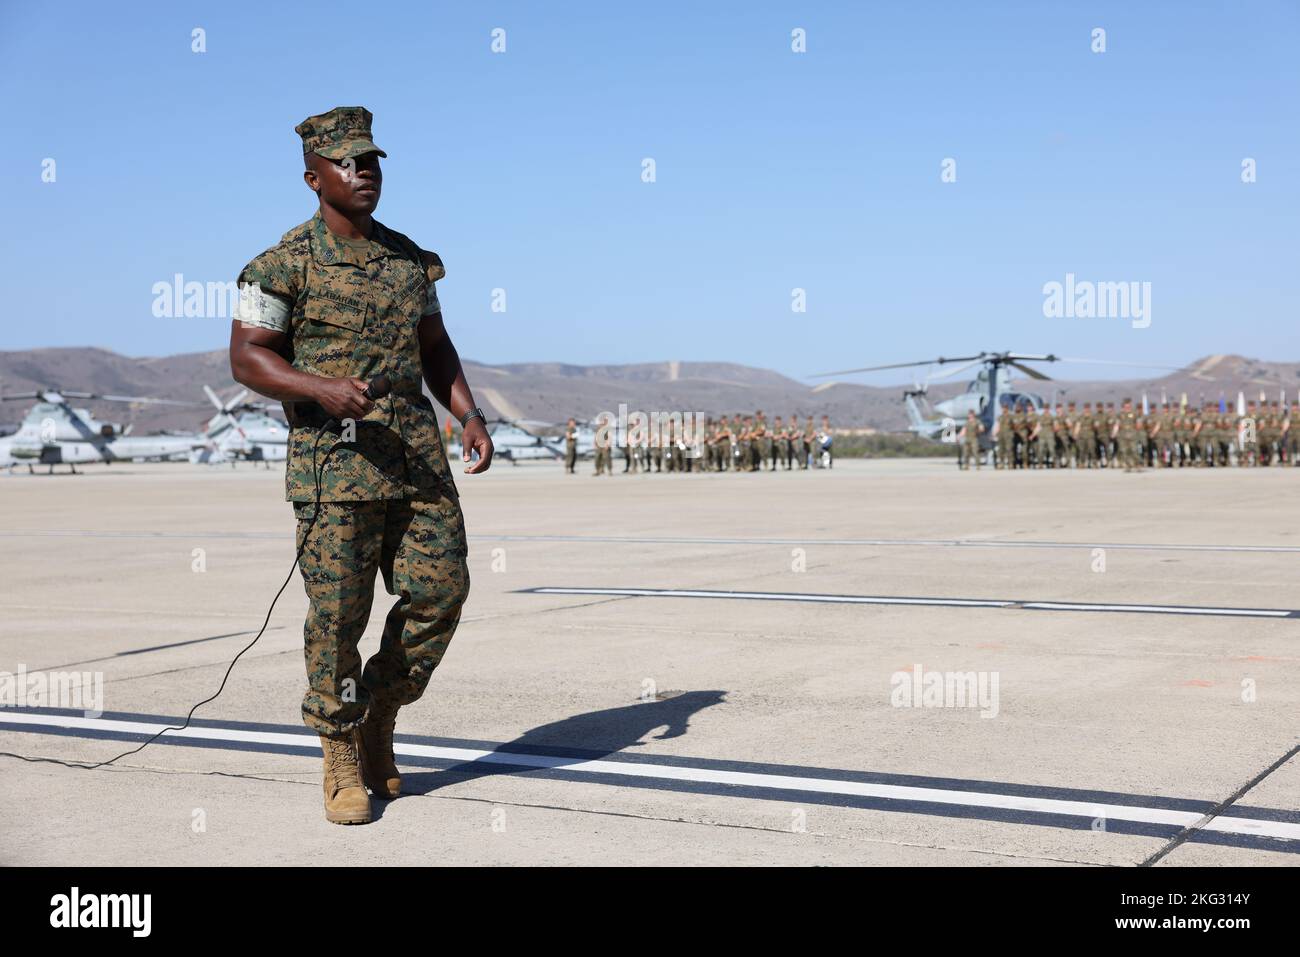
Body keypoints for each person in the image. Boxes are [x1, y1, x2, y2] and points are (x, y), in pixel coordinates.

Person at [229, 107, 493, 825]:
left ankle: (379, 710)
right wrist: (320, 388)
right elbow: (247, 355)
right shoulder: (281, 264)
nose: (364, 172)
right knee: (338, 616)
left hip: (414, 458)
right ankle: (341, 749)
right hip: (334, 468)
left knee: (443, 593)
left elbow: (435, 348)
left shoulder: (411, 261)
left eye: (372, 160)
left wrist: (466, 413)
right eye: (347, 163)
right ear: (314, 178)